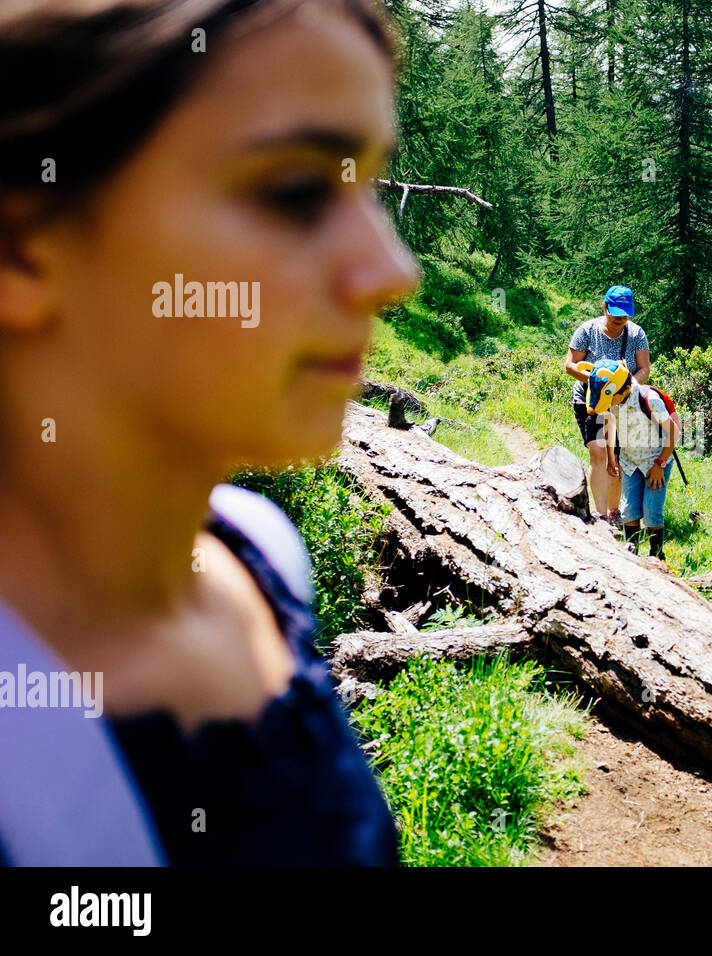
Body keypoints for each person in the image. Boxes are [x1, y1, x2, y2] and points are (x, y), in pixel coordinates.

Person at [0, 0, 419, 864]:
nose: (392, 272)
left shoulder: (262, 558)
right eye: (298, 192)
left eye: (371, 185)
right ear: (22, 244)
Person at [564, 285, 649, 525]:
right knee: (600, 452)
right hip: (590, 402)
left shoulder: (636, 334)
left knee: (618, 457)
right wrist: (598, 380)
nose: (620, 319)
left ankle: (614, 512)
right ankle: (600, 516)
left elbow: (644, 369)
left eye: (625, 315)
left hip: (622, 404)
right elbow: (570, 365)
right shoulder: (587, 331)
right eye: (615, 314)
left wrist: (626, 384)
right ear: (604, 307)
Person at [598, 375, 678, 561]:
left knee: (652, 510)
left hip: (656, 460)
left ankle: (656, 554)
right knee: (629, 509)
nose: (609, 402)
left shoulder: (649, 400)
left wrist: (660, 464)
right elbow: (609, 425)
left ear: (625, 389)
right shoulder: (611, 398)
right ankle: (631, 550)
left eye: (612, 397)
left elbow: (674, 432)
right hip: (630, 461)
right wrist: (612, 457)